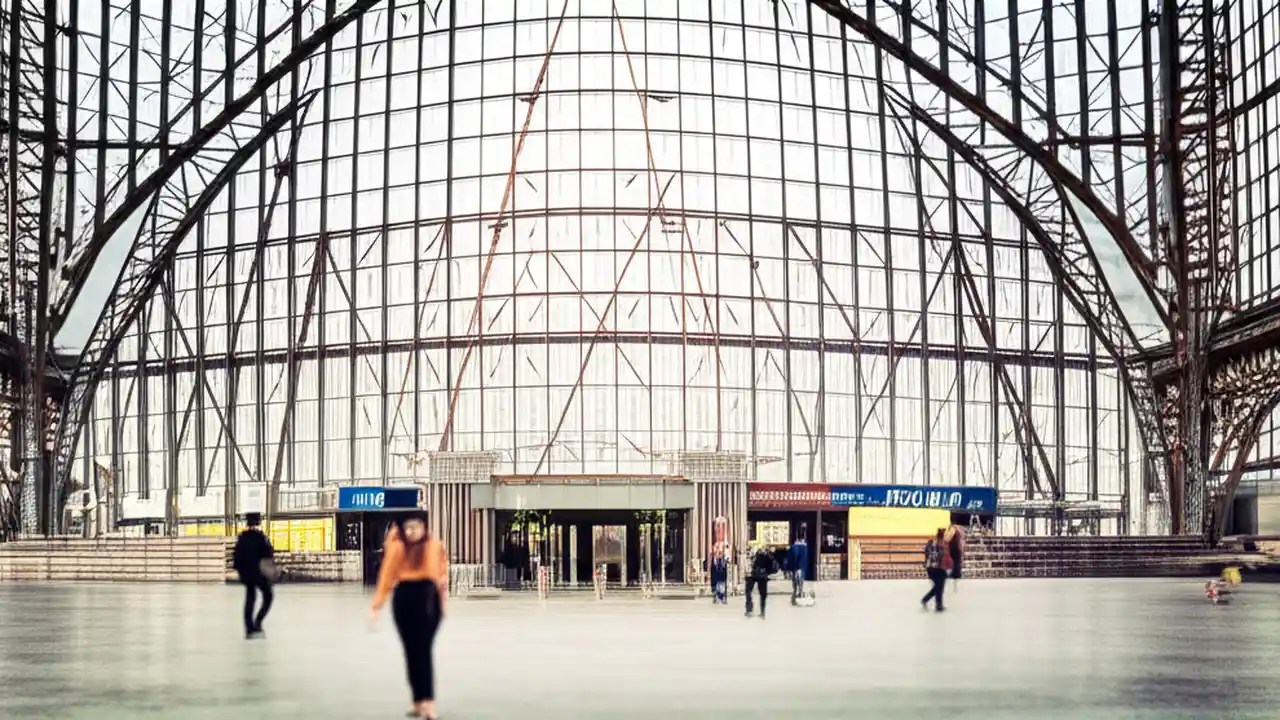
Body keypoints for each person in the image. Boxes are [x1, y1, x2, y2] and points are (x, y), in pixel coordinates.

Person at [369, 511, 448, 720]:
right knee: (411, 652)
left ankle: (428, 703)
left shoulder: (434, 546)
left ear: (424, 527)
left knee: (423, 651)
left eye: (417, 526)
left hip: (429, 600)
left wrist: (443, 604)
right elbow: (386, 576)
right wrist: (376, 606)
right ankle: (416, 700)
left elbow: (442, 577)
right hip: (404, 599)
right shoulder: (397, 548)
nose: (413, 531)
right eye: (408, 528)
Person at [232, 512, 275, 639]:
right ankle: (258, 621)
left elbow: (236, 557)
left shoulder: (242, 537)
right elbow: (268, 554)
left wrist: (240, 571)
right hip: (259, 574)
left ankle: (249, 628)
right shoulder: (261, 537)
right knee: (268, 596)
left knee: (250, 599)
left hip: (246, 574)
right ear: (258, 523)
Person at [744, 541, 777, 619]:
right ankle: (761, 612)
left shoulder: (763, 556)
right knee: (762, 594)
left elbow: (771, 565)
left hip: (756, 575)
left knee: (751, 591)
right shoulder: (767, 556)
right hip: (760, 576)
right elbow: (772, 566)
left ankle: (752, 610)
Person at [920, 528, 949, 612]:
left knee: (938, 587)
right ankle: (937, 604)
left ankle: (929, 601)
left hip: (930, 568)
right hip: (938, 568)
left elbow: (926, 552)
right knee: (939, 587)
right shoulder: (941, 544)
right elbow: (941, 556)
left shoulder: (931, 542)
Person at [789, 526, 810, 606]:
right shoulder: (805, 547)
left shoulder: (793, 547)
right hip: (802, 567)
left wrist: (790, 568)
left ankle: (795, 597)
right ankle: (800, 594)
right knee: (801, 581)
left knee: (795, 583)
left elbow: (791, 558)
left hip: (795, 567)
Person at [944, 522, 966, 590]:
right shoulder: (959, 530)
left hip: (954, 547)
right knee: (957, 562)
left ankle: (953, 575)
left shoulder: (953, 529)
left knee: (954, 562)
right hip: (957, 548)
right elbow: (962, 540)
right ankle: (956, 576)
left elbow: (947, 539)